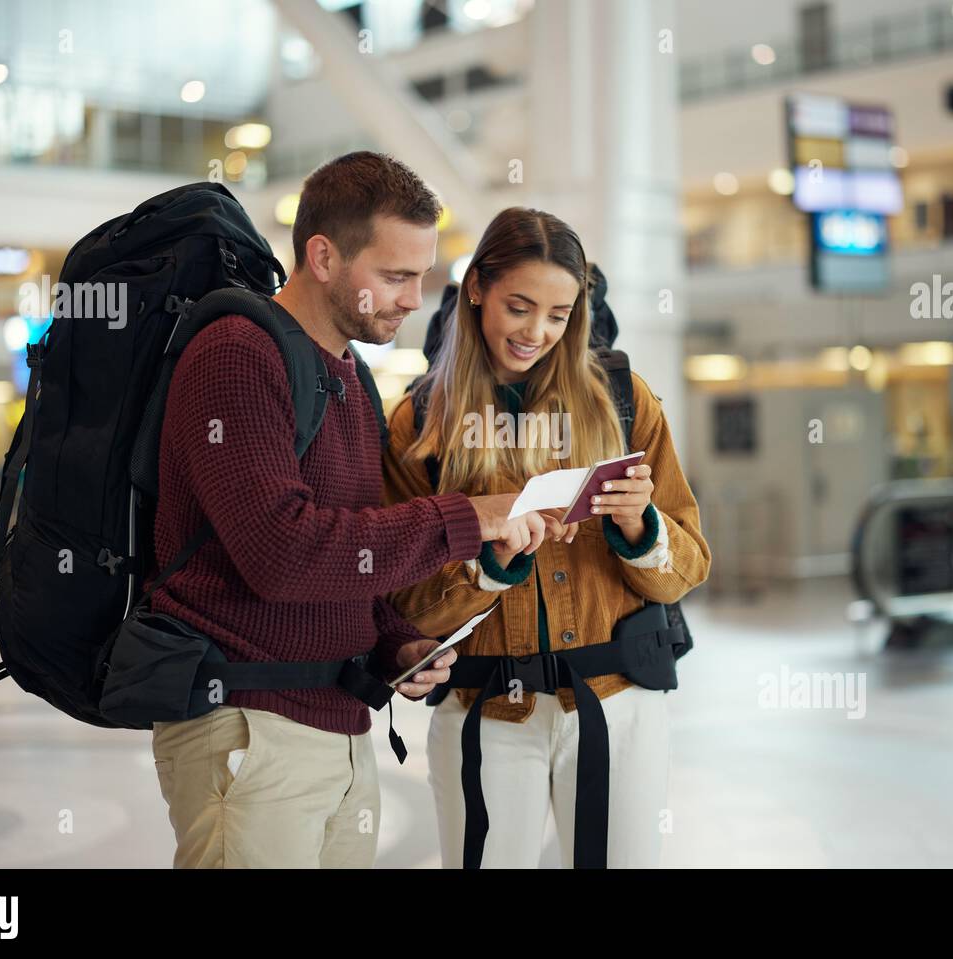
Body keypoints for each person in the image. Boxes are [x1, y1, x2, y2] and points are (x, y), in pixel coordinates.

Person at [147, 152, 542, 868]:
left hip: (342, 728)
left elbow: (351, 554)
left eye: (420, 276)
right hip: (250, 728)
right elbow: (282, 552)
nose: (413, 299)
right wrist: (466, 517)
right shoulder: (236, 352)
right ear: (322, 256)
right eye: (393, 276)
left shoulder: (350, 375)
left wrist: (396, 642)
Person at [383, 207, 711, 868]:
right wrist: (488, 567)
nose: (536, 332)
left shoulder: (623, 400)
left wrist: (638, 527)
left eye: (558, 316)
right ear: (476, 287)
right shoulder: (421, 422)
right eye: (519, 306)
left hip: (619, 704)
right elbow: (404, 602)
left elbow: (691, 563)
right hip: (485, 709)